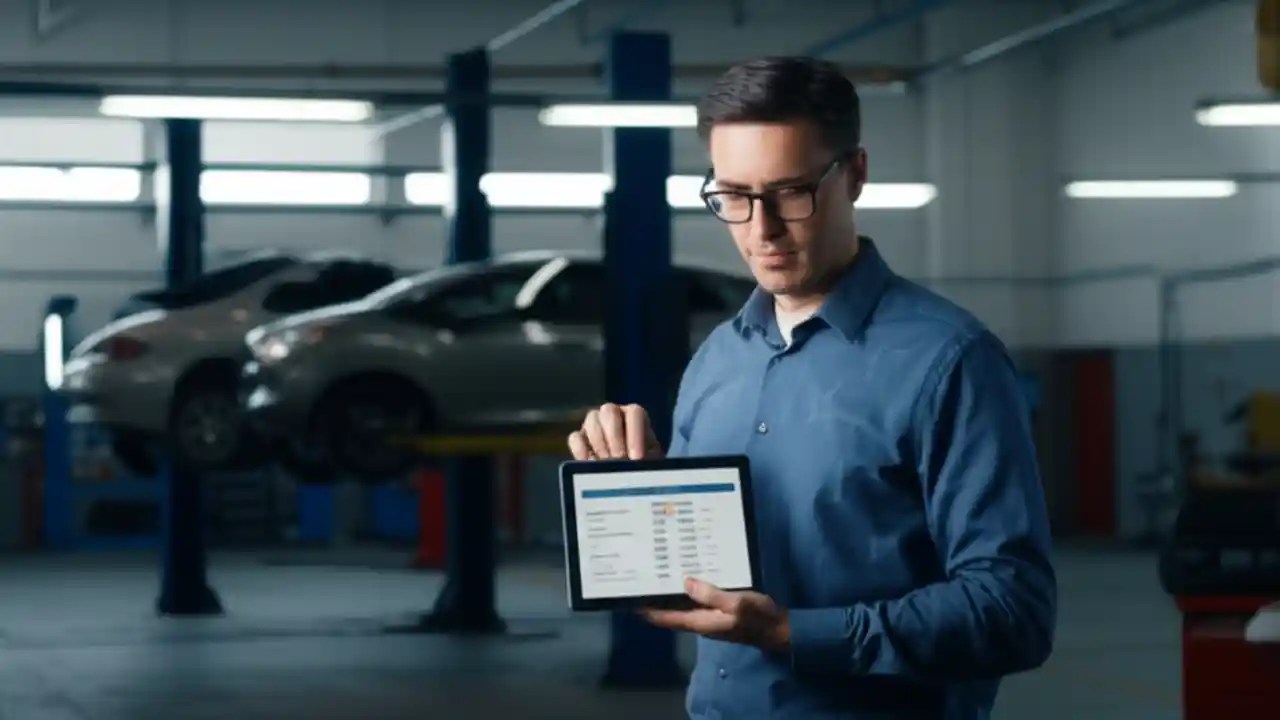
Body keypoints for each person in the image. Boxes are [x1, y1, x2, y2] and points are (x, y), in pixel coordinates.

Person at [567, 56, 1057, 719]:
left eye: (790, 192)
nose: (760, 229)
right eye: (733, 196)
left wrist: (793, 634)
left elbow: (1013, 610)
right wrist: (639, 489)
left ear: (854, 174)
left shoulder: (951, 363)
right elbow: (700, 577)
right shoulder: (718, 359)